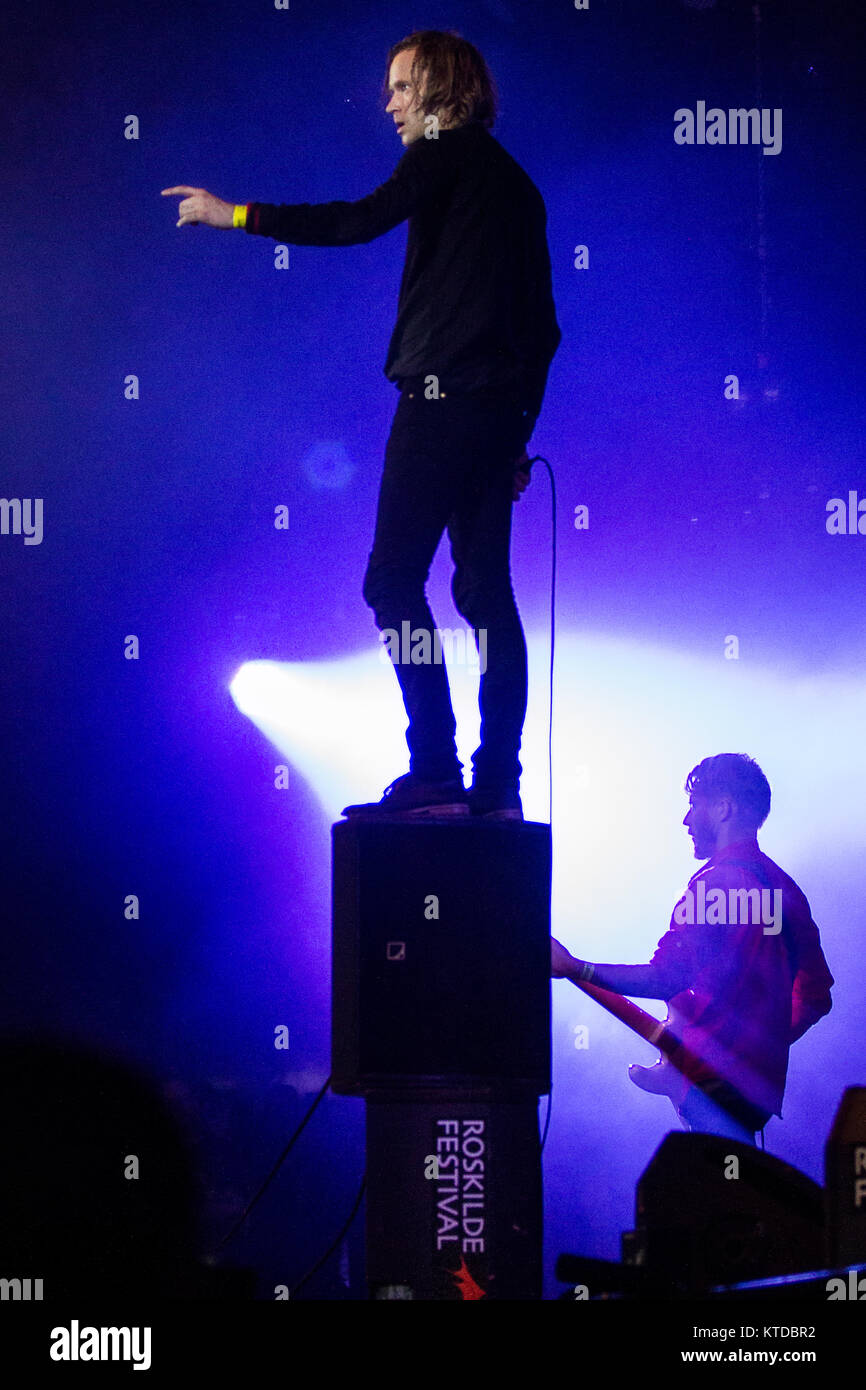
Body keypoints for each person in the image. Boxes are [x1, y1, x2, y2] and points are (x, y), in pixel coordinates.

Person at [162, 30, 561, 822]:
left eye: (403, 88)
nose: (389, 104)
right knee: (486, 593)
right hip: (492, 412)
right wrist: (516, 432)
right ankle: (498, 787)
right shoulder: (520, 186)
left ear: (445, 90)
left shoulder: (441, 149)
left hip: (440, 403)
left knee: (391, 582)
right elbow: (544, 330)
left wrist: (234, 214)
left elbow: (358, 220)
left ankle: (437, 767)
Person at [551, 754, 834, 1143]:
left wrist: (574, 966)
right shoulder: (789, 893)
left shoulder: (714, 885)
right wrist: (759, 1047)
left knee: (709, 1195)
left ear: (723, 808)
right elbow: (818, 999)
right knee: (734, 1192)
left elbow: (664, 977)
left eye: (693, 805)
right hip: (754, 1097)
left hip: (705, 1086)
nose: (685, 820)